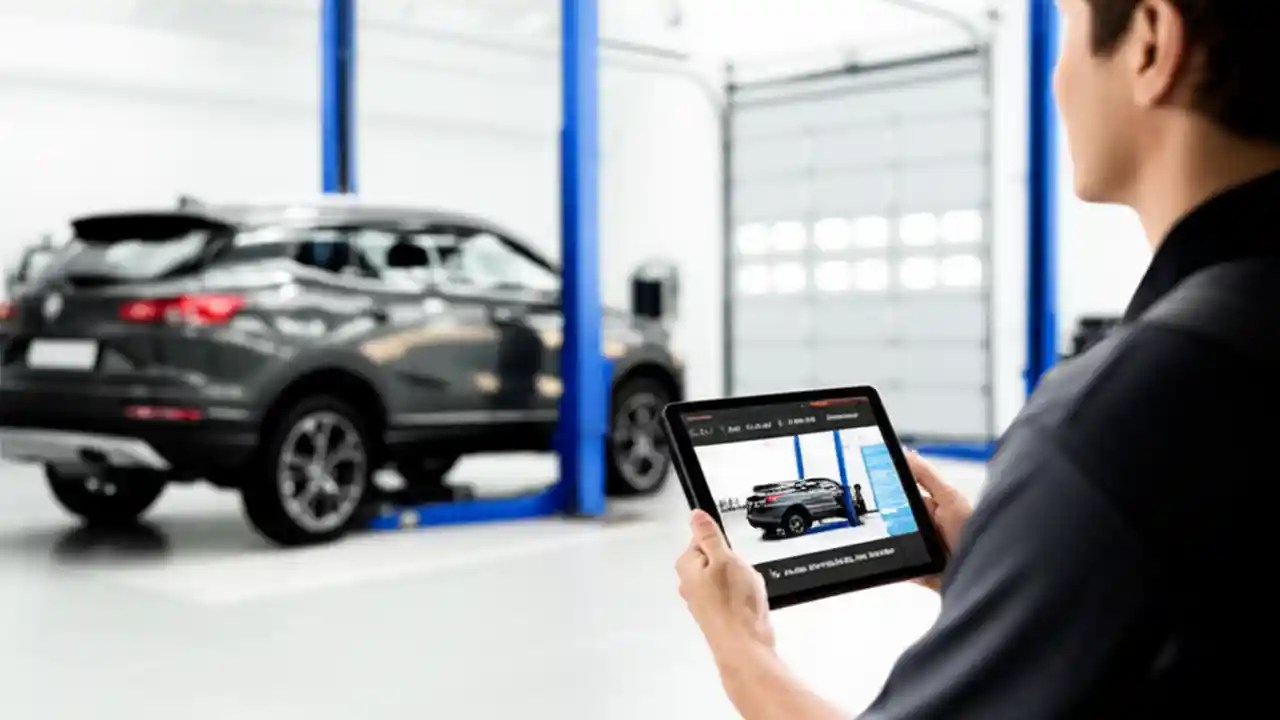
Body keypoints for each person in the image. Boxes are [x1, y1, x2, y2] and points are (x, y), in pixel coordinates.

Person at [675, 1, 1280, 717]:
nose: (1058, 78)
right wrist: (1015, 565)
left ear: (1151, 42)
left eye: (1068, 32)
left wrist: (740, 646)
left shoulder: (1131, 414)